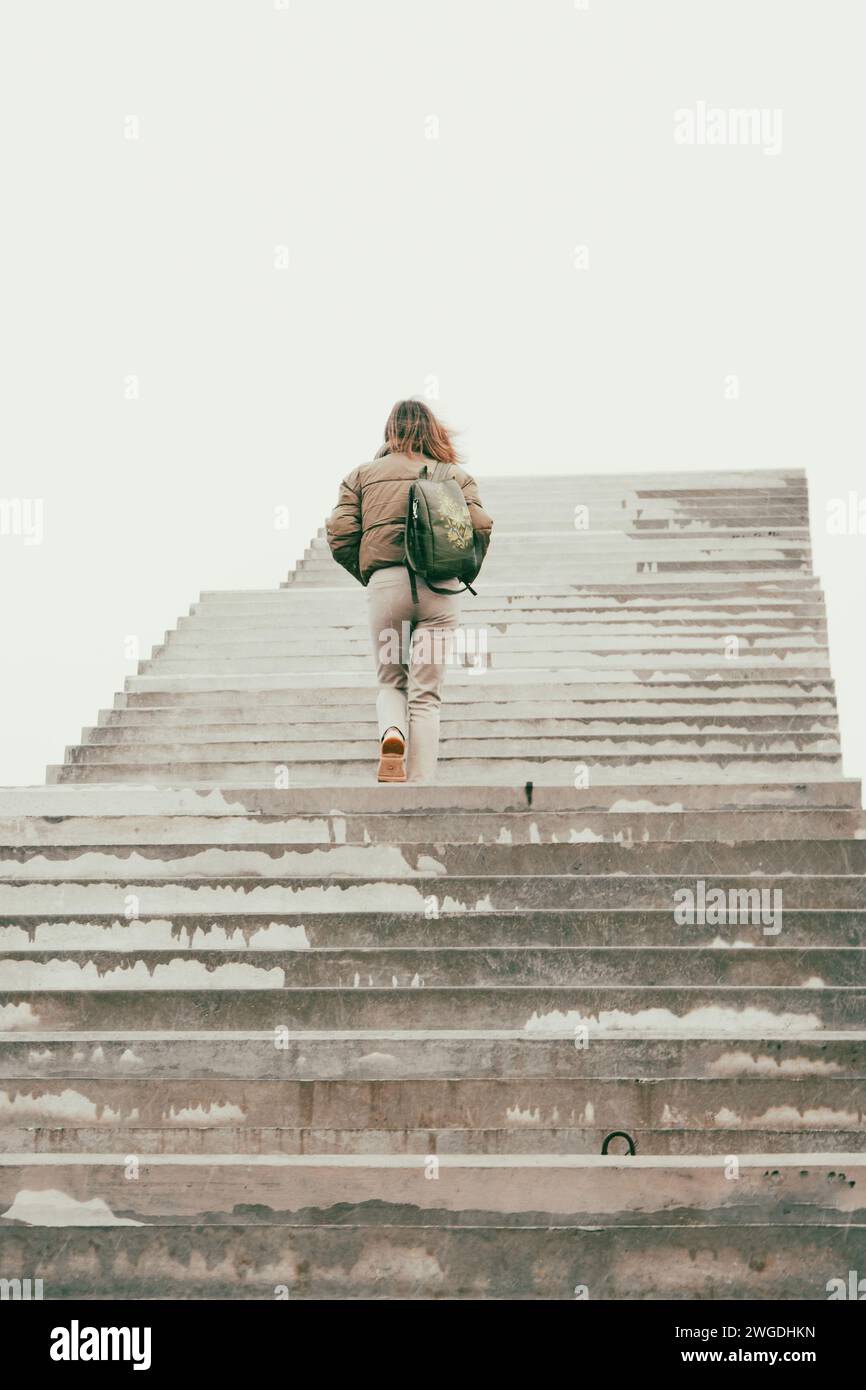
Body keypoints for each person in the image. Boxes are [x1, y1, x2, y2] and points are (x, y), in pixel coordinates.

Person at [325, 399, 493, 783]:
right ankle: (419, 785)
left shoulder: (361, 476)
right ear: (432, 430)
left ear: (390, 432)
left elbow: (339, 534)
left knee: (391, 681)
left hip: (387, 588)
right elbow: (481, 527)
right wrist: (460, 570)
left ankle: (392, 734)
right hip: (440, 589)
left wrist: (370, 572)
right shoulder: (455, 475)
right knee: (426, 695)